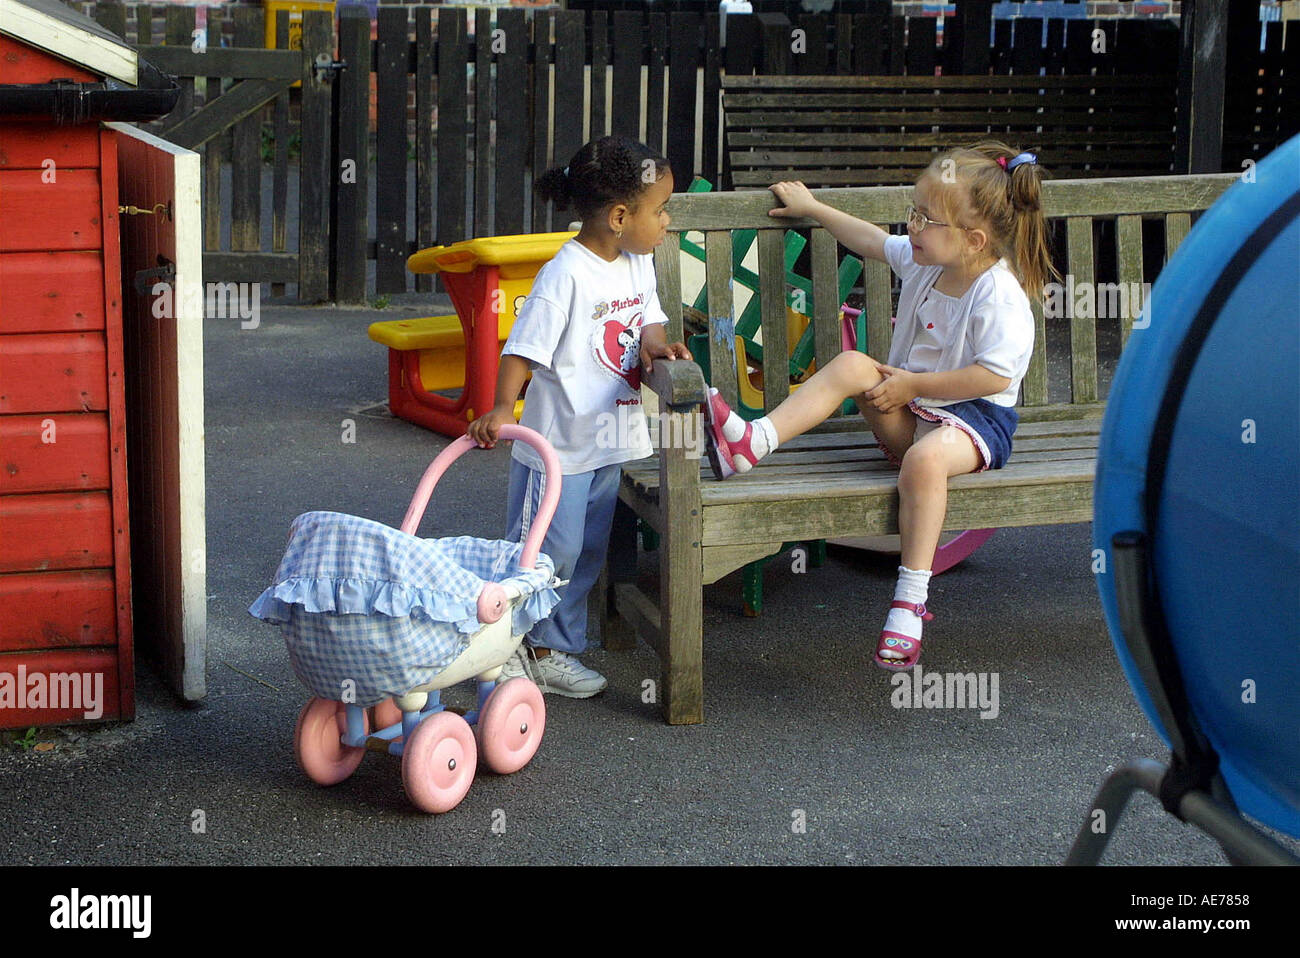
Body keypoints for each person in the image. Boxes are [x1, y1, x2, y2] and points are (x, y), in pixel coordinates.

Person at [701, 141, 1057, 672]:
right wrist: (815, 209)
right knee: (850, 365)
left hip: (973, 420)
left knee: (926, 460)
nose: (911, 226)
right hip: (910, 406)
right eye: (914, 211)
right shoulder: (924, 260)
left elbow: (995, 375)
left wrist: (916, 384)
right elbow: (869, 239)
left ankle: (910, 601)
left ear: (974, 240)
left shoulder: (998, 294)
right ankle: (751, 444)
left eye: (924, 218)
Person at [468, 135, 691, 697]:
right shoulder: (564, 275)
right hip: (556, 448)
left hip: (608, 440)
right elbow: (522, 350)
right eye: (660, 209)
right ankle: (504, 648)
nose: (668, 221)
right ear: (620, 216)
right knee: (545, 551)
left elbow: (650, 321)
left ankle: (551, 651)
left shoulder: (637, 264)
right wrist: (499, 408)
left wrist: (656, 348)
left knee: (585, 550)